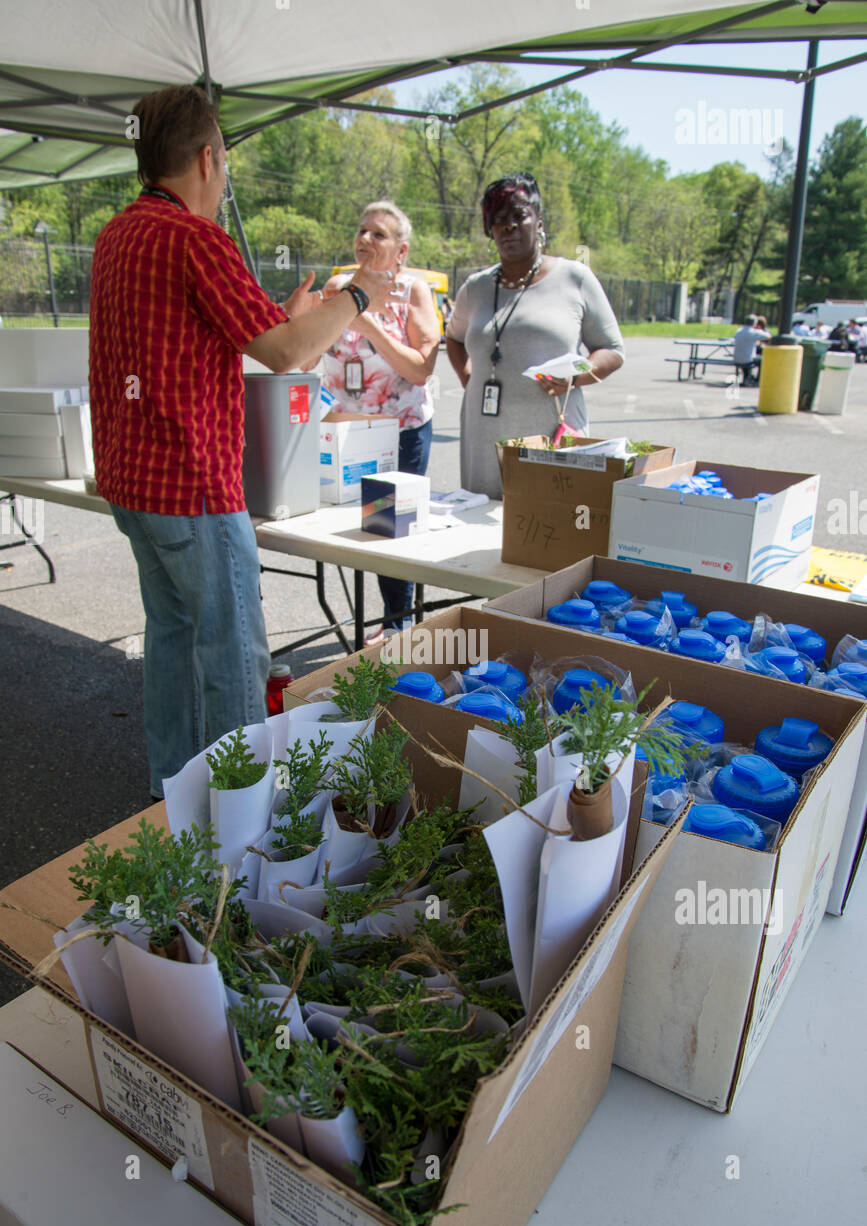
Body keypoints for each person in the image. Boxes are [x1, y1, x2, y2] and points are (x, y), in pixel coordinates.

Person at [89, 85, 394, 798]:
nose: (223, 179)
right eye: (223, 163)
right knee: (232, 659)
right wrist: (357, 298)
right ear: (207, 157)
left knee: (170, 644)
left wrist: (283, 317)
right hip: (191, 489)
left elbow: (237, 333)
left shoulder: (118, 233)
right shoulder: (196, 237)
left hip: (134, 486)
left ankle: (173, 801)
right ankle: (238, 819)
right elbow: (287, 354)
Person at [444, 173, 623, 499]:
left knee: (547, 524)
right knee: (477, 529)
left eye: (519, 216)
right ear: (489, 230)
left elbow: (611, 350)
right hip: (484, 435)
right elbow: (453, 338)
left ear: (538, 222)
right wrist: (468, 376)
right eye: (498, 220)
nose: (509, 227)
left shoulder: (574, 278)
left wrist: (575, 379)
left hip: (549, 431)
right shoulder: (476, 287)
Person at [310, 201, 440, 635]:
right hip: (347, 436)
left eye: (378, 234)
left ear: (401, 251)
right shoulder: (337, 287)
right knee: (351, 528)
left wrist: (370, 327)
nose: (365, 239)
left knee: (390, 529)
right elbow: (310, 353)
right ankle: (372, 619)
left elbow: (421, 368)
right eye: (362, 230)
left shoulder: (413, 291)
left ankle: (397, 625)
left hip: (400, 433)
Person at [732, 314, 770, 385]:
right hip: (747, 359)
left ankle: (747, 378)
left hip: (736, 358)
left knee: (746, 355)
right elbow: (768, 336)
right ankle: (758, 380)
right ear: (754, 323)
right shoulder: (753, 332)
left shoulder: (738, 331)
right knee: (763, 360)